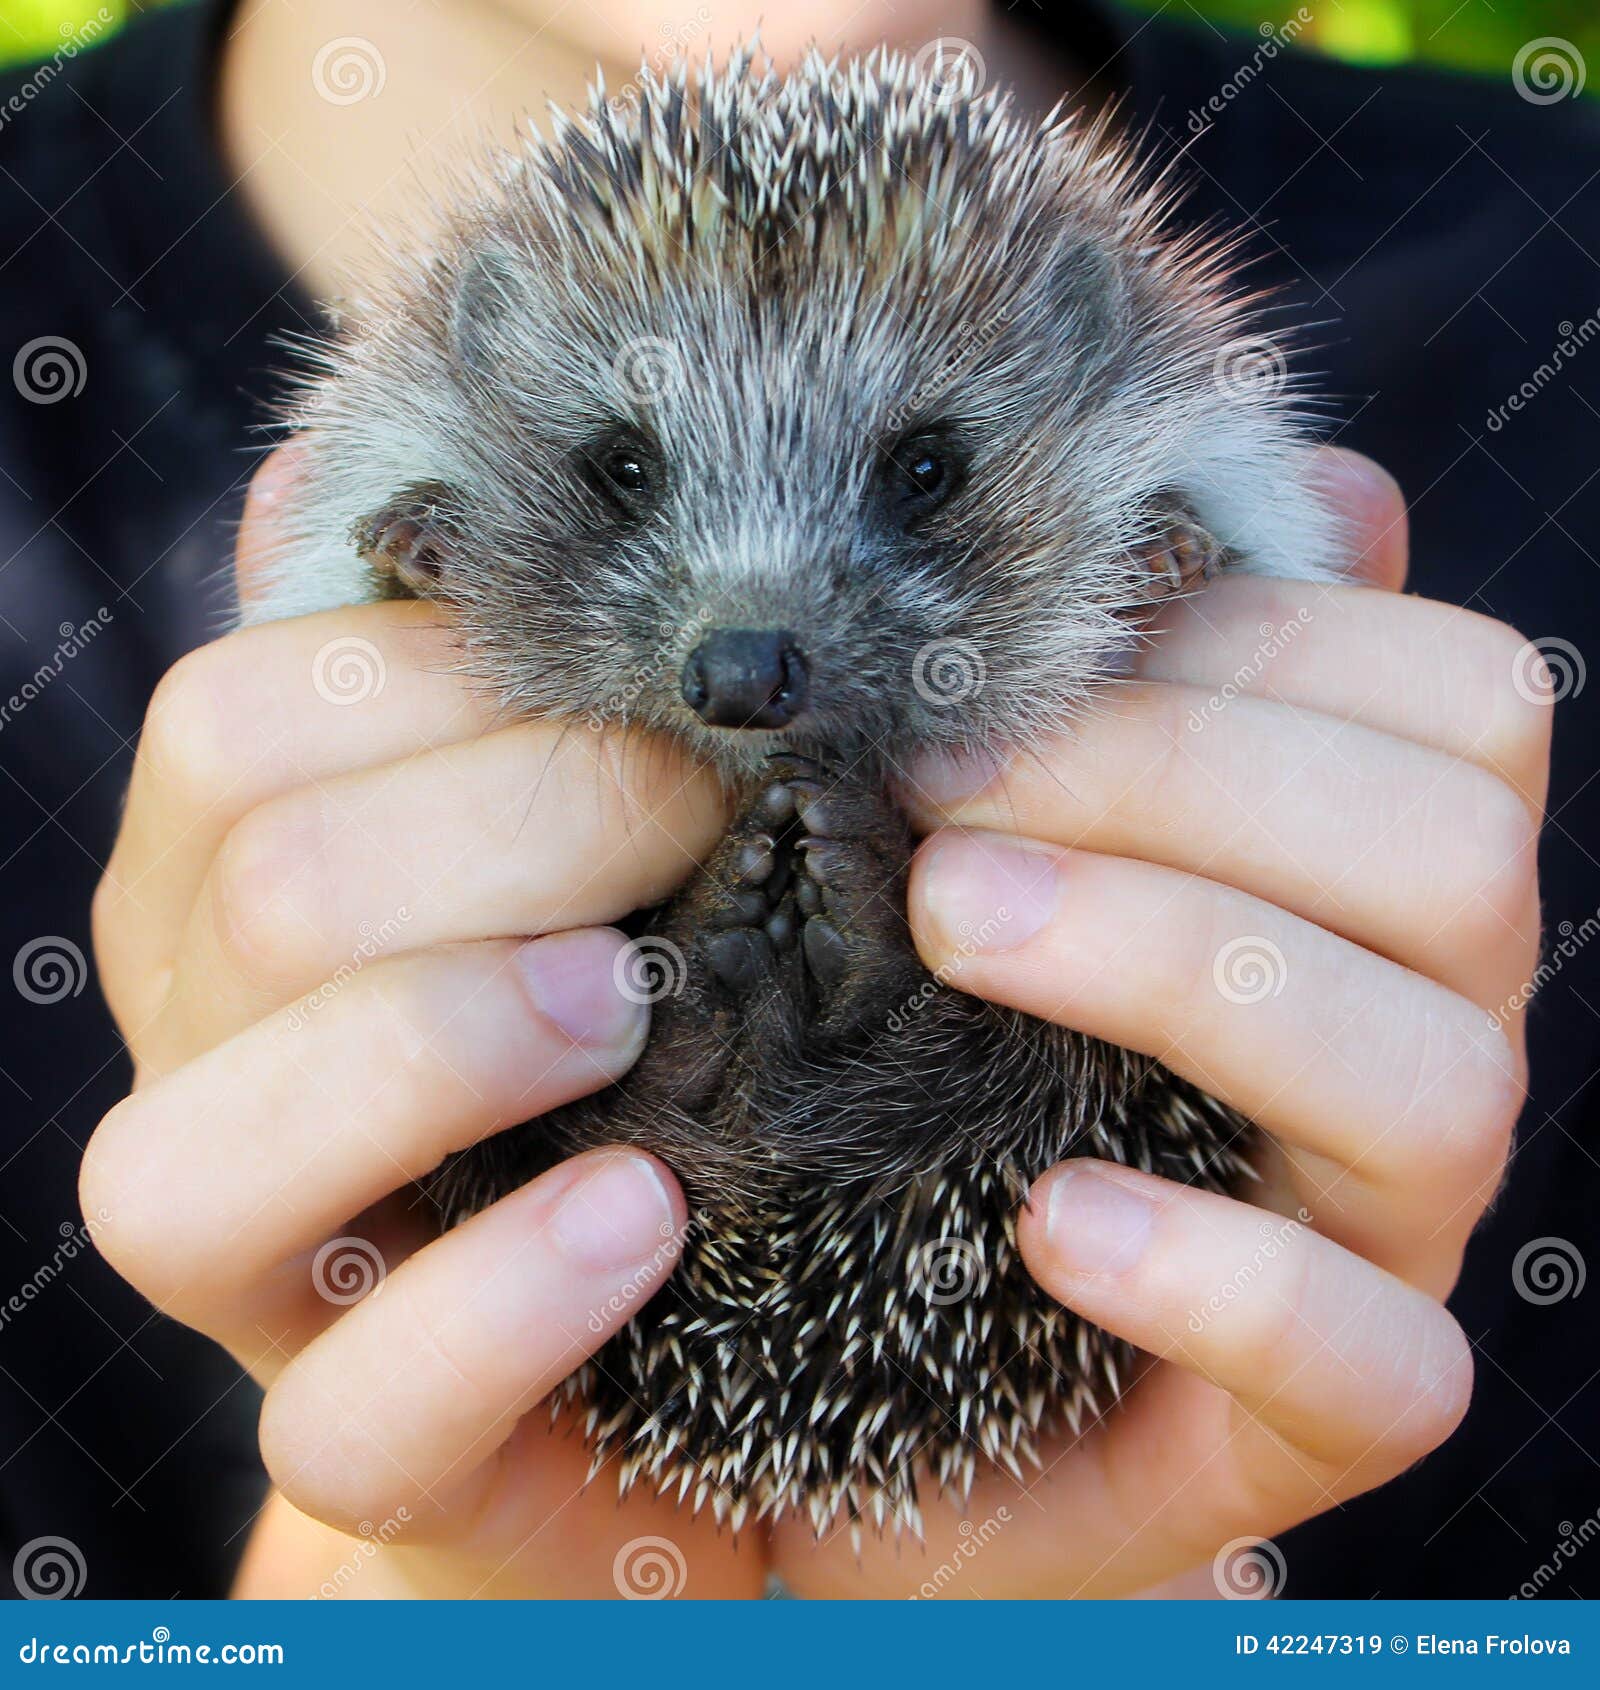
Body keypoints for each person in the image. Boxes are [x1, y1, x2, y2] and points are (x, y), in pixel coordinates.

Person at [0, 0, 1594, 1600]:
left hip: (980, 1119)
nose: (752, 644)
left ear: (1085, 345)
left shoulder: (1552, 274)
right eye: (625, 475)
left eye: (921, 477)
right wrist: (418, 1595)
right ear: (483, 359)